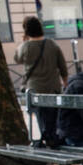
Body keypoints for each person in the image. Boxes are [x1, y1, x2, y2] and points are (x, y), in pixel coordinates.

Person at [15, 16, 68, 148]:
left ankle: (47, 137)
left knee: (41, 116)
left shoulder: (25, 47)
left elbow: (17, 58)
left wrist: (24, 41)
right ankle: (52, 138)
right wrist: (65, 82)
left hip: (35, 89)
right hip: (53, 87)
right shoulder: (52, 44)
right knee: (53, 117)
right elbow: (62, 66)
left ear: (26, 31)